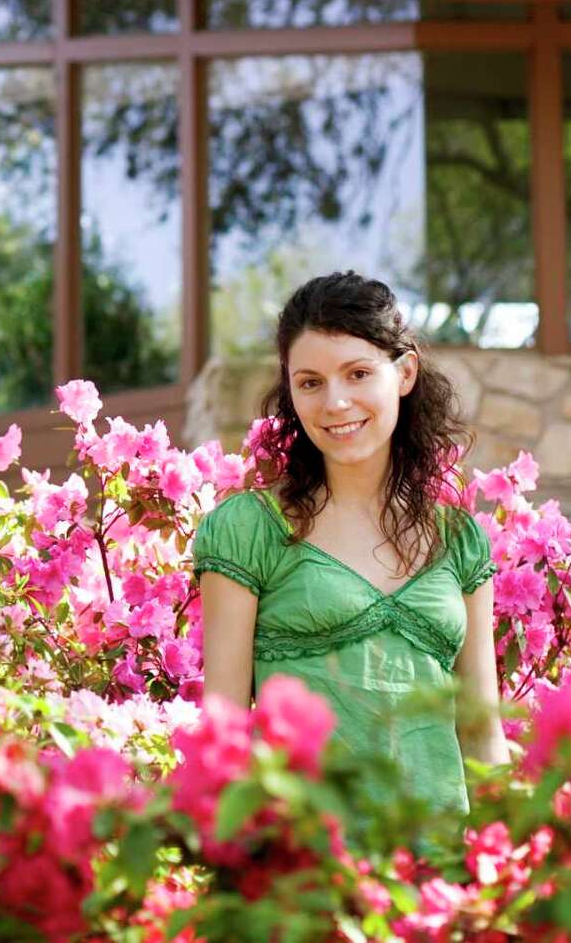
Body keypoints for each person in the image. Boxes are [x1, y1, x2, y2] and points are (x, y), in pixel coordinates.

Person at [194, 270, 511, 827]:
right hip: (306, 875)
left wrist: (507, 872)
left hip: (435, 876)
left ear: (404, 373)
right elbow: (223, 730)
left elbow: (482, 734)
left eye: (358, 373)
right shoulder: (249, 529)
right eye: (310, 382)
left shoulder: (460, 541)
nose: (335, 402)